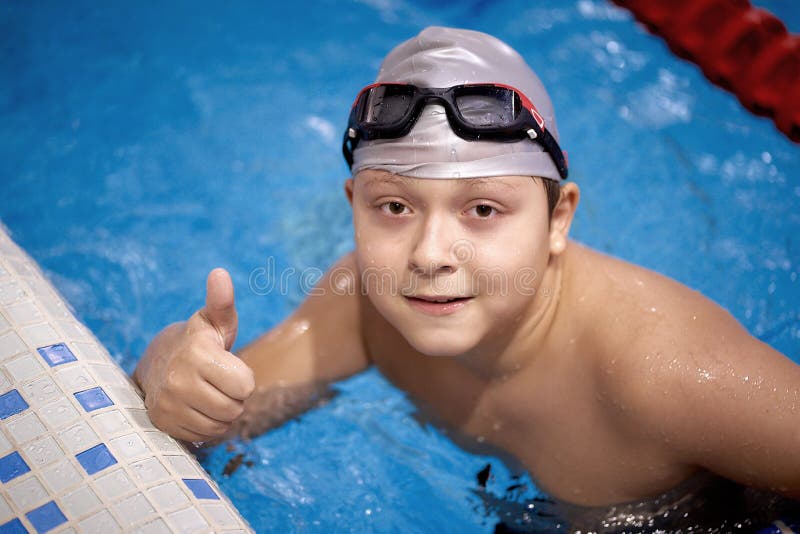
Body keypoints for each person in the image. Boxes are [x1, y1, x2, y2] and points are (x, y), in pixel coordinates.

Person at [132, 26, 800, 520]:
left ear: (558, 218)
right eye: (393, 206)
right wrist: (165, 374)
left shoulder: (665, 375)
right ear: (352, 208)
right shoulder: (363, 301)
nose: (429, 253)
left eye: (482, 209)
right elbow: (230, 409)